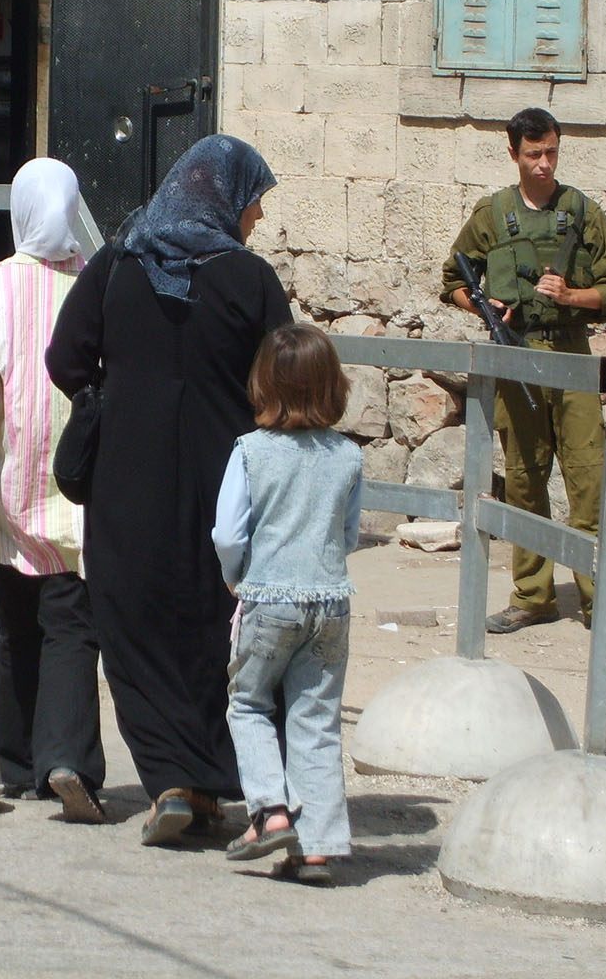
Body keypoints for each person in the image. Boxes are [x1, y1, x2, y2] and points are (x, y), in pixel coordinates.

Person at [46, 133, 291, 847]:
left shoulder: (119, 265)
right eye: (254, 205)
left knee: (137, 620)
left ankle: (171, 783)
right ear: (225, 201)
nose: (257, 221)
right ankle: (209, 779)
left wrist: (110, 398)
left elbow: (65, 356)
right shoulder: (250, 280)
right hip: (228, 481)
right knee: (218, 624)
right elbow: (285, 377)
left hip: (128, 478)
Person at [0, 158, 106, 824]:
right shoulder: (96, 285)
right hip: (77, 485)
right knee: (70, 620)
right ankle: (64, 758)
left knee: (15, 621)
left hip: (5, 481)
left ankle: (16, 763)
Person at [439, 108, 606, 638]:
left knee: (587, 479)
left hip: (571, 356)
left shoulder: (582, 211)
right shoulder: (493, 213)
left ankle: (602, 601)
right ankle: (533, 596)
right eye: (534, 154)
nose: (545, 163)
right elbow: (451, 277)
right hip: (515, 353)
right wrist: (481, 306)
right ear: (514, 154)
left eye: (551, 151)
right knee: (525, 479)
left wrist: (573, 295)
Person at [214, 322, 361, 887]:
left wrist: (236, 578)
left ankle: (270, 811)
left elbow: (228, 533)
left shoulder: (250, 451)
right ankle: (319, 847)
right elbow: (347, 535)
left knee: (249, 704)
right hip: (331, 601)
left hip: (268, 597)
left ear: (263, 385)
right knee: (316, 720)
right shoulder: (348, 455)